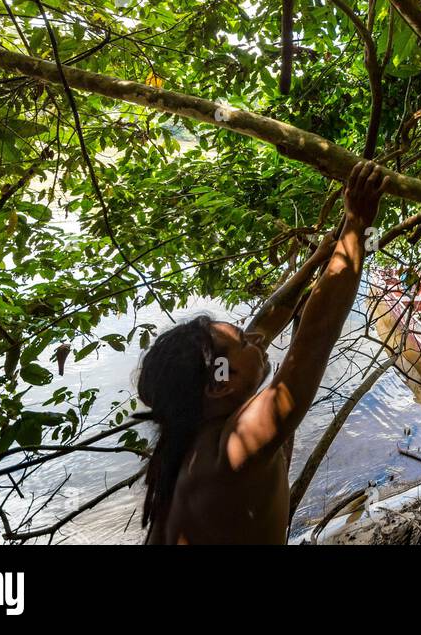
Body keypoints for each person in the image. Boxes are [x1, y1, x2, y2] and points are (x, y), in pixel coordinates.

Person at [135, 160, 387, 544]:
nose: (256, 339)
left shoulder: (187, 439)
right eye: (244, 343)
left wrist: (314, 263)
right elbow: (315, 336)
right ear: (219, 382)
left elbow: (265, 324)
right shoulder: (237, 444)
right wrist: (356, 224)